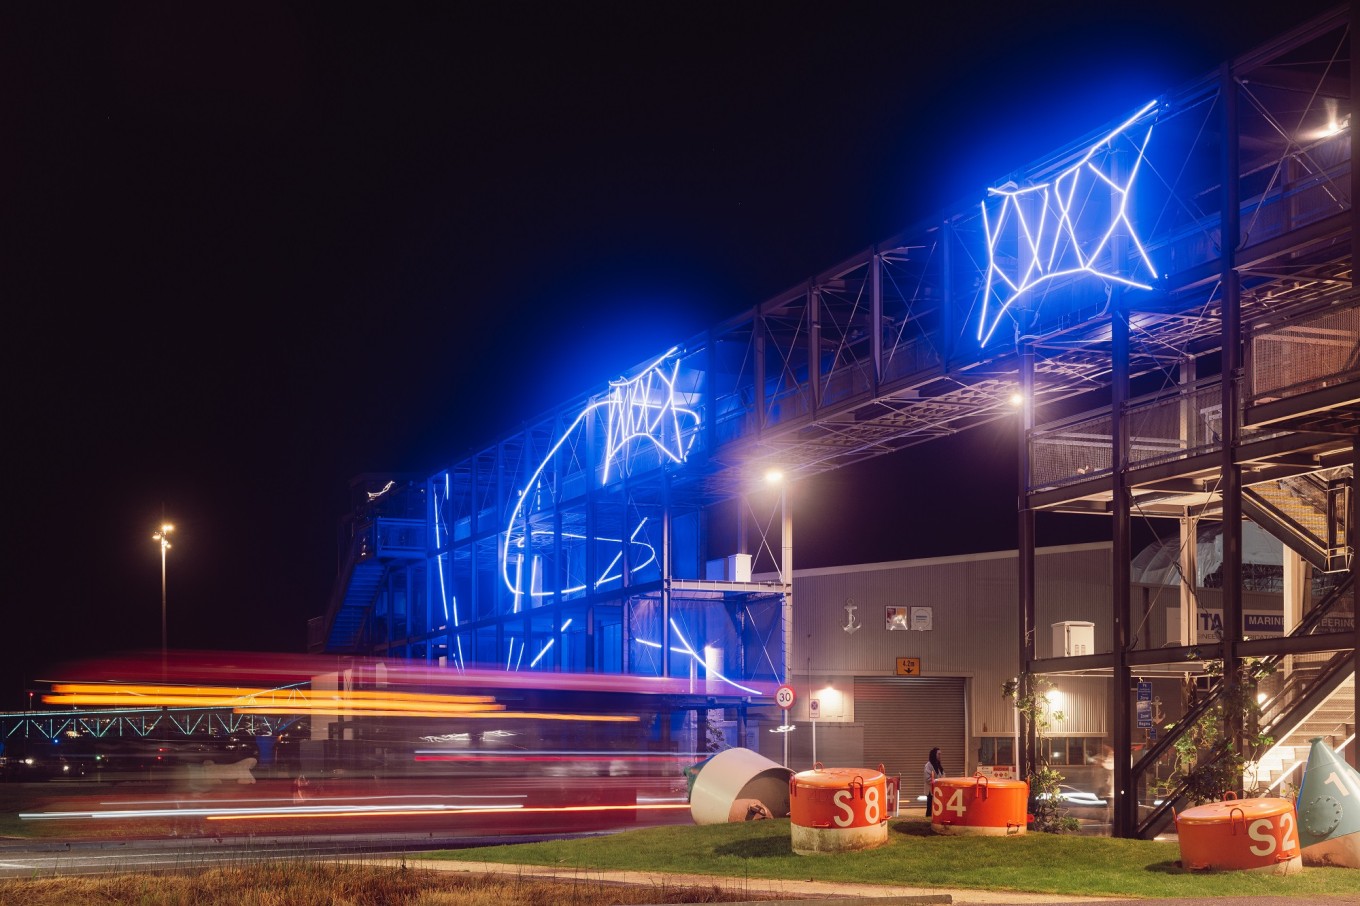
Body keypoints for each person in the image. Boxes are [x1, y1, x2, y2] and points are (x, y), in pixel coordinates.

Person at [923, 747, 944, 813]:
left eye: (940, 754)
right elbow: (927, 779)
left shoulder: (938, 765)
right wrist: (937, 782)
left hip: (938, 790)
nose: (940, 756)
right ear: (934, 754)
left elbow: (942, 776)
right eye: (939, 754)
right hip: (930, 791)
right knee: (930, 808)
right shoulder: (928, 765)